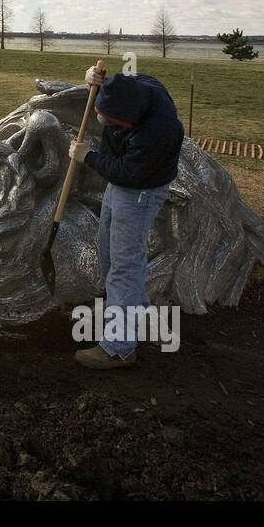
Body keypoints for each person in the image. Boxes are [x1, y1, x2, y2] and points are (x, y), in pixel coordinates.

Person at [67, 65, 184, 370]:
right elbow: (119, 80)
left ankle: (118, 347)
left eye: (113, 123)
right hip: (121, 186)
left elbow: (129, 173)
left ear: (129, 122)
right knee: (110, 256)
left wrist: (88, 157)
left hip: (140, 193)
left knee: (124, 266)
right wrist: (92, 77)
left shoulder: (158, 131)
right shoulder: (142, 86)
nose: (104, 124)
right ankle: (139, 320)